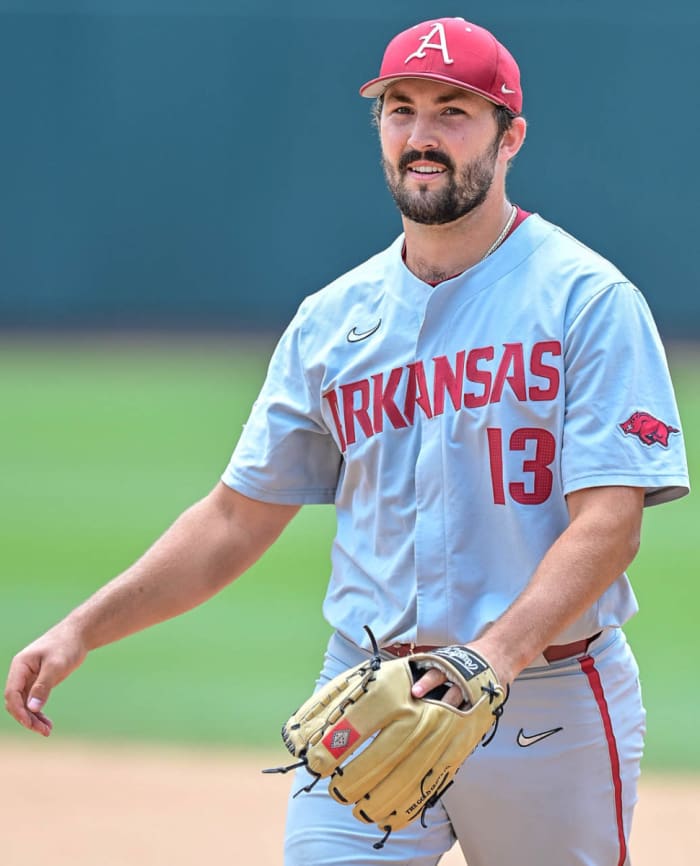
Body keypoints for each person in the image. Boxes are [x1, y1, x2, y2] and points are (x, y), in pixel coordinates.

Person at [5, 16, 690, 866]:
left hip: (546, 703)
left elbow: (611, 523)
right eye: (401, 110)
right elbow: (234, 518)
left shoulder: (587, 300)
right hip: (369, 697)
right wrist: (81, 629)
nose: (422, 135)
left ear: (510, 137)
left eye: (453, 112)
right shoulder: (331, 322)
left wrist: (493, 657)